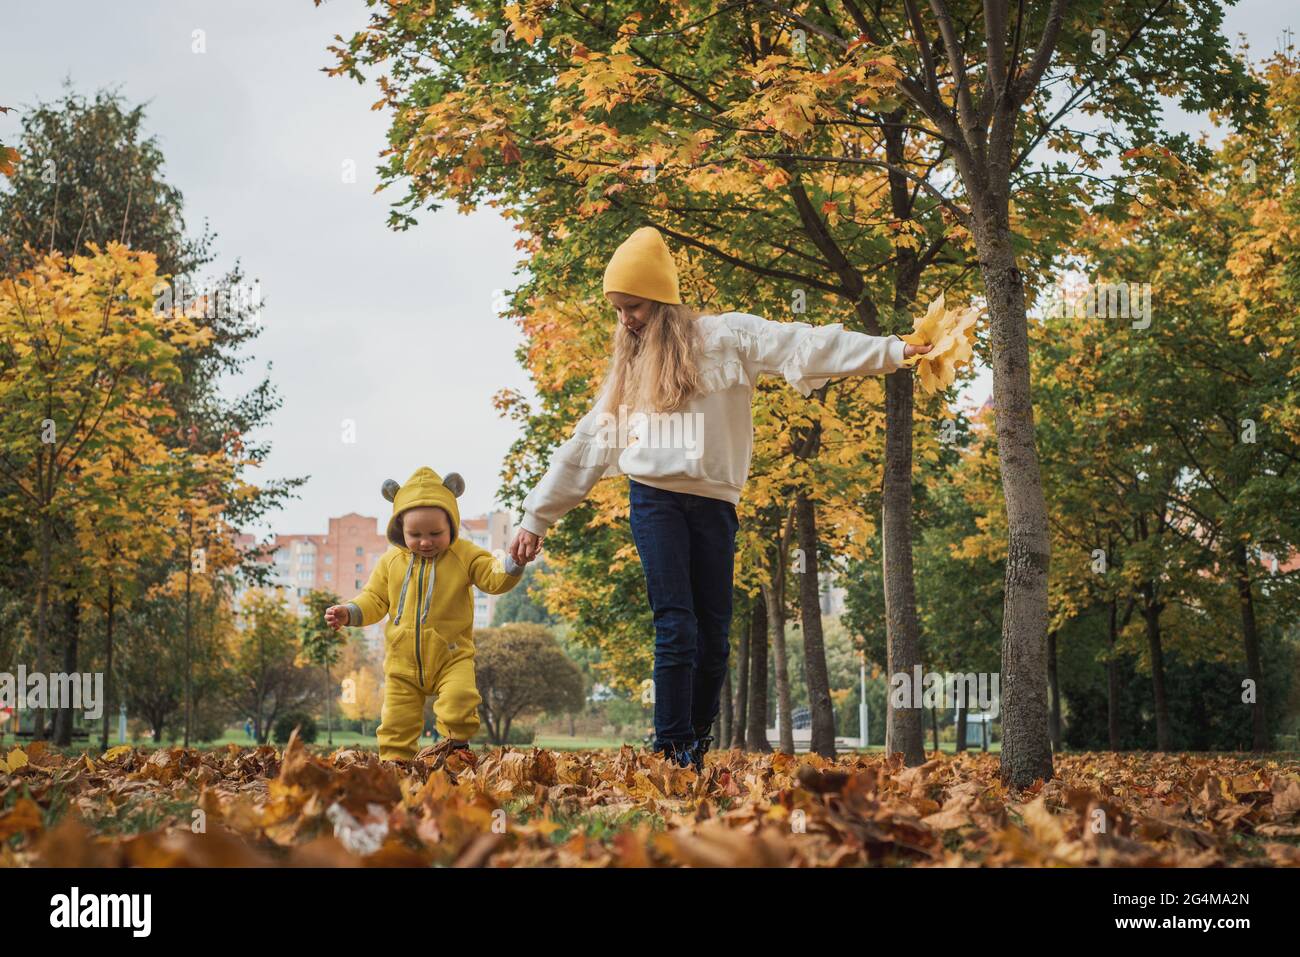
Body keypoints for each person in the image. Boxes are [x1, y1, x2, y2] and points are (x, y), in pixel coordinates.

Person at [508, 226, 932, 771]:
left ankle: (695, 742)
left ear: (661, 299)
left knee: (715, 637)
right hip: (654, 499)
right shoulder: (632, 372)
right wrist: (535, 516)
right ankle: (669, 750)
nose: (625, 321)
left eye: (632, 306)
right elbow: (589, 444)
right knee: (676, 625)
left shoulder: (729, 337)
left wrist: (894, 350)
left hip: (715, 503)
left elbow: (806, 344)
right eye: (617, 310)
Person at [325, 467, 528, 766]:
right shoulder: (391, 562)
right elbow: (375, 599)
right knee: (396, 718)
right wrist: (350, 612)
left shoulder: (465, 555)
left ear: (452, 525)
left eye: (435, 533)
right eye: (415, 534)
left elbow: (493, 577)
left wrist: (513, 563)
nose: (425, 541)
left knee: (460, 700)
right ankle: (396, 764)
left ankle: (456, 750)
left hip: (452, 656)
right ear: (399, 531)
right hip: (401, 662)